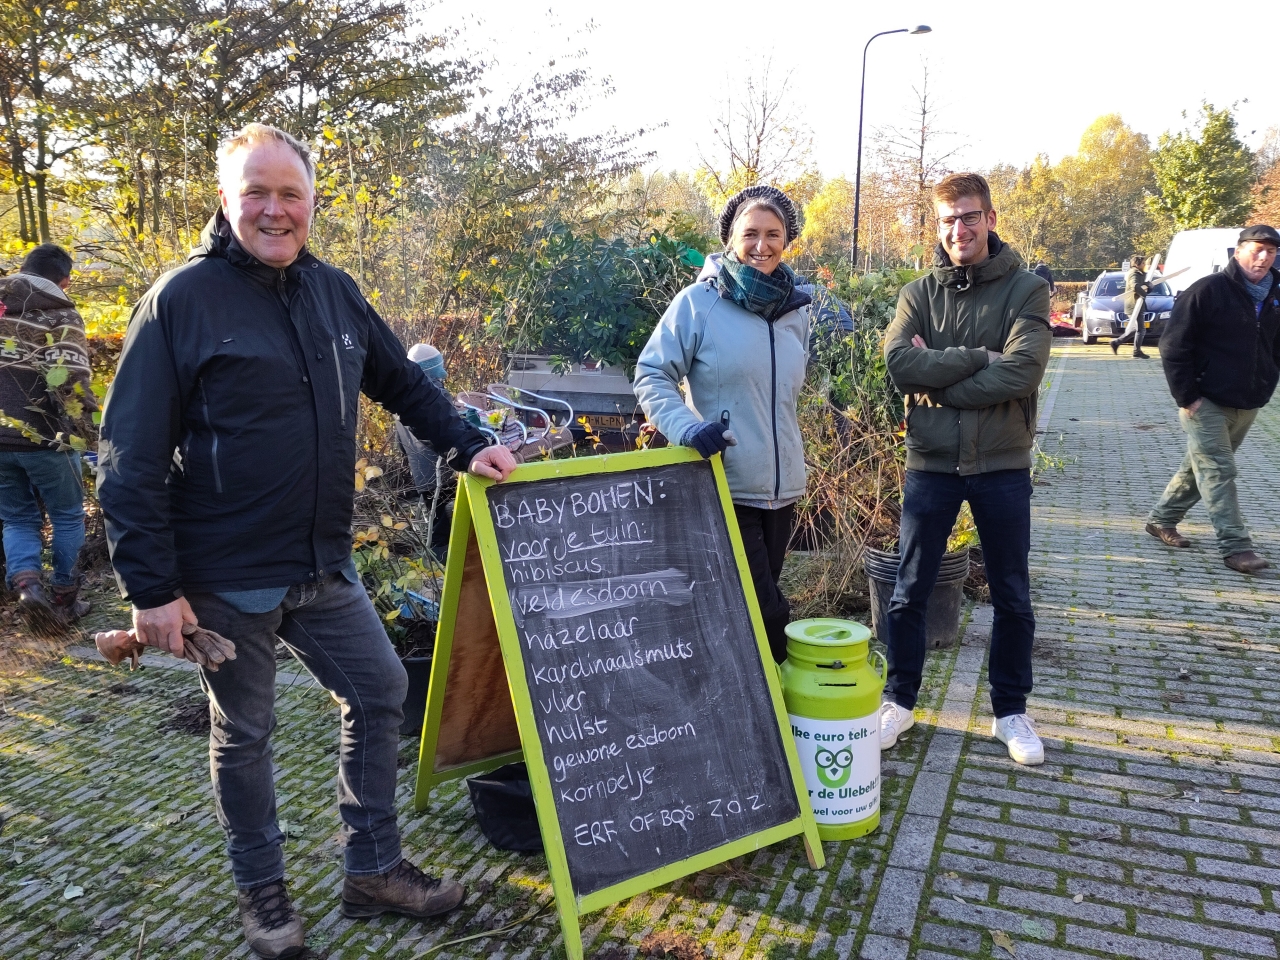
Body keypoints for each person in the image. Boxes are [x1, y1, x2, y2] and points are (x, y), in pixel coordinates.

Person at [97, 122, 517, 960]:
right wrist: (152, 590)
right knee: (245, 733)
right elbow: (128, 455)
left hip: (322, 562)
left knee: (381, 688)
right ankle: (264, 895)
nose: (274, 210)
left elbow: (404, 383)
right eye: (256, 192)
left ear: (312, 203)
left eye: (291, 194)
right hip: (224, 574)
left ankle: (372, 869)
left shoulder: (334, 292)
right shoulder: (181, 300)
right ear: (226, 199)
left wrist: (469, 443)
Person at [881, 173, 1052, 766]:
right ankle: (899, 701)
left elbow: (1023, 371)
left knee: (1011, 592)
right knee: (910, 588)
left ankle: (1011, 711)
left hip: (1002, 464)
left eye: (970, 216)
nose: (960, 229)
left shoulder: (1027, 290)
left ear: (990, 219)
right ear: (939, 224)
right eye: (949, 219)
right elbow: (900, 365)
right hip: (931, 464)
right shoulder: (917, 294)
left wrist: (941, 384)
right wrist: (980, 357)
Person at [634, 184, 810, 664]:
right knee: (765, 612)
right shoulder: (699, 303)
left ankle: (739, 696)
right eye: (750, 233)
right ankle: (782, 696)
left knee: (742, 611)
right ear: (730, 239)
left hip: (783, 491)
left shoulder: (795, 312)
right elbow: (651, 374)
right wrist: (687, 428)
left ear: (787, 240)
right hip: (723, 482)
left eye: (773, 234)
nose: (761, 245)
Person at [1145, 225, 1280, 574]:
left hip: (1249, 401)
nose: (1263, 257)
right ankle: (1236, 547)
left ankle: (1161, 519)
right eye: (1256, 249)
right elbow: (1173, 345)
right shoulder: (1208, 289)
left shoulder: (1275, 294)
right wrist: (1188, 396)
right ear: (1239, 251)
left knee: (1200, 466)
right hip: (1204, 402)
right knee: (1219, 470)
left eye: (1270, 251)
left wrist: (1267, 380)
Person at [0, 243, 96, 630]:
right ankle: (63, 599)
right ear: (64, 281)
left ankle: (27, 586)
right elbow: (71, 383)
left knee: (16, 518)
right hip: (47, 438)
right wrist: (91, 436)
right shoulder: (60, 313)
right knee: (67, 516)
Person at [394, 343, 453, 559]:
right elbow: (452, 433)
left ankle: (436, 558)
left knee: (436, 517)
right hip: (444, 473)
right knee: (446, 524)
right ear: (434, 368)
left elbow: (400, 445)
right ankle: (442, 562)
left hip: (420, 474)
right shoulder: (437, 396)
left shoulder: (400, 399)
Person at [1112, 254, 1151, 358]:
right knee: (1141, 329)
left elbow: (1142, 287)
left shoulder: (1140, 273)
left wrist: (1149, 287)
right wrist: (1144, 293)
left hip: (1138, 304)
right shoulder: (1134, 273)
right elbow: (1135, 286)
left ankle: (1116, 342)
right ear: (1137, 264)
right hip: (1134, 304)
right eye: (1143, 263)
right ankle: (1136, 352)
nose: (1144, 264)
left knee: (1137, 329)